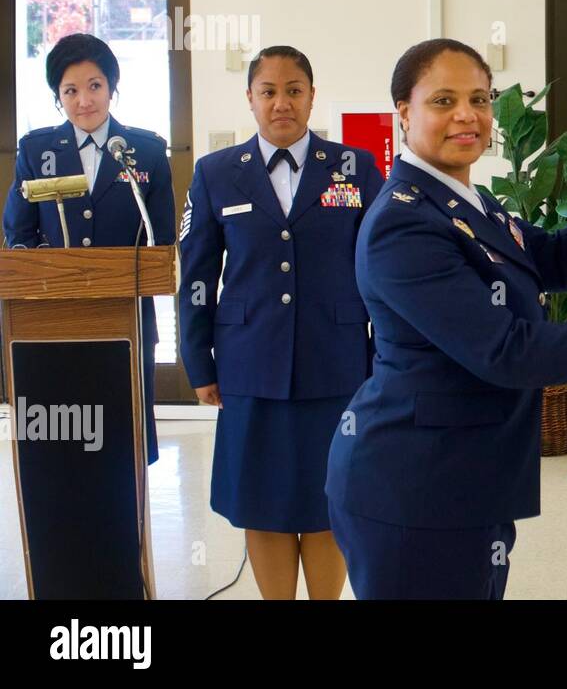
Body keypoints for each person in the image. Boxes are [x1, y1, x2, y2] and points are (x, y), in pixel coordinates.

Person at [325, 38, 567, 599]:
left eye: (479, 98)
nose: (467, 115)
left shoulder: (469, 203)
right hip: (414, 488)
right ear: (404, 112)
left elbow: (557, 260)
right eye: (443, 100)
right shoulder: (405, 224)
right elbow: (506, 351)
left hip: (467, 479)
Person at [179, 45, 384, 599]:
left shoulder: (355, 167)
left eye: (294, 90)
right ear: (250, 99)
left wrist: (386, 359)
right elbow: (196, 278)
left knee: (329, 498)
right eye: (268, 91)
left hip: (338, 363)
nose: (281, 103)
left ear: (312, 97)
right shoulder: (216, 174)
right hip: (250, 366)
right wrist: (199, 363)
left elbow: (384, 266)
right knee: (262, 502)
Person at [3, 33, 175, 465]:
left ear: (113, 88)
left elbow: (162, 238)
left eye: (95, 86)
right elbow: (18, 233)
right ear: (57, 97)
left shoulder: (146, 151)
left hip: (127, 322)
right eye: (70, 90)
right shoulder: (37, 150)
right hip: (52, 323)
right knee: (62, 451)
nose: (84, 101)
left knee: (123, 448)